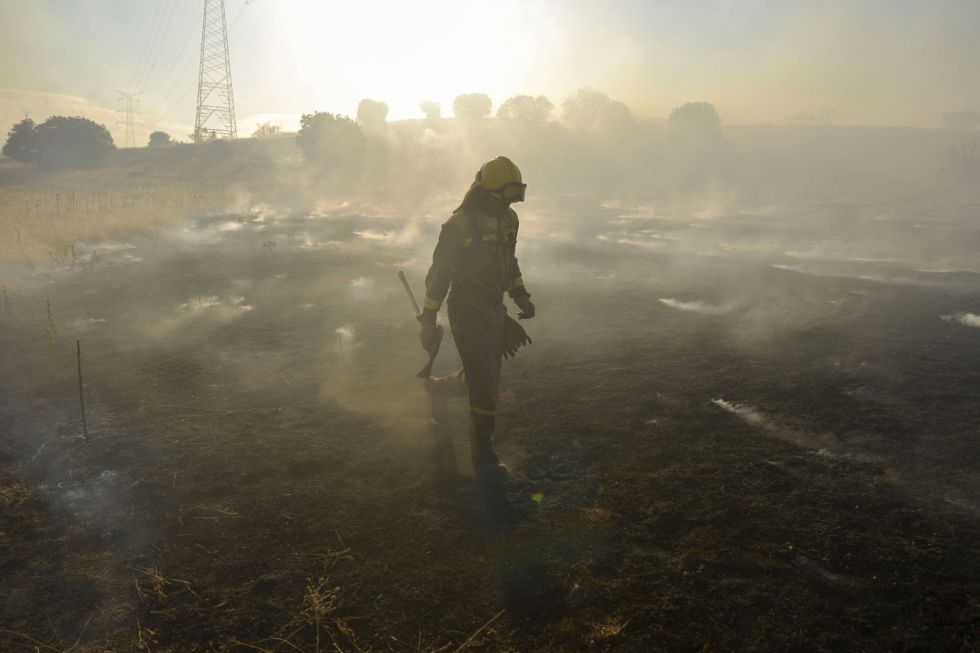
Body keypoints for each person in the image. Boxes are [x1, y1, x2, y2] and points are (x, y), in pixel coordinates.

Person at [418, 156, 535, 487]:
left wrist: (520, 295)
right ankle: (484, 457)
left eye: (517, 195)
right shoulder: (460, 226)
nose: (512, 202)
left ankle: (439, 389)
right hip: (466, 309)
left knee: (482, 377)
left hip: (494, 309)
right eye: (507, 194)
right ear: (488, 192)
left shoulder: (509, 220)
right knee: (485, 385)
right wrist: (428, 319)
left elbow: (508, 261)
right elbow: (439, 276)